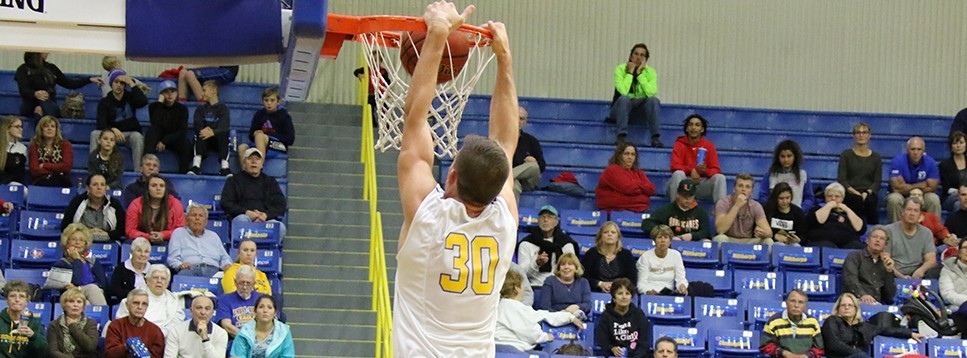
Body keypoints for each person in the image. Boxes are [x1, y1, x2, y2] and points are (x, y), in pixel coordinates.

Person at [391, 4, 519, 356]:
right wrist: (504, 60)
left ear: (451, 174)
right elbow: (505, 141)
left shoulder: (426, 215)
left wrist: (436, 36)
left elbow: (415, 119)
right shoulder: (505, 222)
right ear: (499, 187)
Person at [494, 270, 583, 354]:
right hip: (509, 349)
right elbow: (529, 331)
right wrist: (545, 337)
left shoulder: (502, 305)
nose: (524, 288)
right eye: (522, 285)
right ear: (516, 288)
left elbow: (543, 315)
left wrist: (570, 317)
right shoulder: (514, 306)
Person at [821, 293, 922, 358]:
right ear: (838, 308)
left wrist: (910, 333)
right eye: (843, 305)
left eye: (850, 305)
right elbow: (834, 344)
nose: (846, 307)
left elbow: (885, 330)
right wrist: (856, 353)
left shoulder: (864, 326)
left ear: (856, 309)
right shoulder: (832, 321)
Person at [221, 148, 288, 238]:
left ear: (262, 164)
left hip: (265, 220)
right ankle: (245, 247)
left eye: (257, 159)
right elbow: (226, 202)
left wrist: (265, 215)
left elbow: (281, 205)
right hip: (244, 217)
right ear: (244, 164)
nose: (254, 162)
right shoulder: (233, 181)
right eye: (250, 158)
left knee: (280, 228)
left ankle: (266, 247)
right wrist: (246, 212)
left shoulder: (270, 182)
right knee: (241, 220)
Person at [14, 52, 100, 118]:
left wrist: (89, 80)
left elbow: (69, 83)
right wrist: (35, 94)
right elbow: (23, 91)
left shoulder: (51, 68)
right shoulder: (23, 69)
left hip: (49, 103)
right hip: (30, 104)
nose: (48, 53)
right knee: (40, 106)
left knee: (42, 107)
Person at [92, 69, 147, 170]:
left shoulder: (130, 97)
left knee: (137, 137)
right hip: (111, 136)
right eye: (116, 82)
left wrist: (131, 83)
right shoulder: (104, 102)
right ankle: (94, 170)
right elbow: (101, 123)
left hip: (128, 134)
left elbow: (143, 102)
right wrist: (112, 130)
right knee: (95, 134)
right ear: (111, 84)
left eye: (122, 83)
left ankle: (138, 172)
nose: (118, 85)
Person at [610, 43, 662, 147]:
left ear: (645, 60)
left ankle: (655, 138)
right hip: (620, 110)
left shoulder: (650, 72)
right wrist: (630, 73)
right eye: (636, 54)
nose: (638, 57)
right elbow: (623, 91)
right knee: (624, 99)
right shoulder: (620, 69)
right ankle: (621, 137)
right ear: (630, 56)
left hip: (639, 111)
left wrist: (639, 74)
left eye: (642, 55)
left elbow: (651, 92)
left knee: (654, 100)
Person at [668, 114, 727, 204]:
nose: (694, 128)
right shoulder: (679, 144)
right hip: (683, 182)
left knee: (720, 178)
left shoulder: (709, 145)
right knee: (678, 173)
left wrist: (704, 171)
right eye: (691, 125)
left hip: (700, 184)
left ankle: (721, 210)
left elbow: (716, 169)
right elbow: (674, 166)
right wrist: (692, 170)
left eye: (697, 125)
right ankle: (676, 208)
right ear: (687, 129)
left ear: (702, 129)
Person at [516, 205, 578, 287]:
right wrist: (536, 263)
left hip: (559, 287)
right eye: (543, 217)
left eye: (549, 217)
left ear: (556, 222)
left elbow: (572, 270)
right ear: (538, 221)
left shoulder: (566, 244)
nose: (545, 220)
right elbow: (520, 274)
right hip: (533, 287)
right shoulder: (526, 244)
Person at [114, 264, 185, 335]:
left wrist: (160, 334)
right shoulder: (134, 296)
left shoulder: (174, 301)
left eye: (163, 278)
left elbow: (176, 324)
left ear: (167, 283)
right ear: (147, 280)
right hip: (136, 335)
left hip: (164, 337)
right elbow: (122, 322)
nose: (159, 281)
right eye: (155, 277)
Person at [886, 136, 941, 222]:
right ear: (907, 150)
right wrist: (922, 184)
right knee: (894, 199)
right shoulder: (897, 161)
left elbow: (932, 187)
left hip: (922, 195)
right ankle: (895, 229)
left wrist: (907, 186)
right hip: (902, 196)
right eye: (913, 149)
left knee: (933, 199)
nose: (916, 152)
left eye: (919, 149)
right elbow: (896, 188)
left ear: (923, 151)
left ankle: (933, 229)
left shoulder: (931, 162)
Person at [168, 203, 232, 277]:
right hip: (189, 270)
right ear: (186, 219)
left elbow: (225, 257)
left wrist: (226, 264)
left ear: (206, 221)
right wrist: (180, 264)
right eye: (194, 215)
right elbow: (173, 259)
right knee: (183, 275)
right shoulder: (178, 233)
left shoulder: (213, 236)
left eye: (201, 216)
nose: (197, 218)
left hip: (214, 271)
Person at [236, 87, 295, 167]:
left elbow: (290, 139)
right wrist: (255, 133)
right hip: (260, 142)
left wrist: (267, 136)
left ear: (278, 101)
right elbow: (251, 136)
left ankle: (260, 167)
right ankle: (245, 172)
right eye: (266, 100)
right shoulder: (259, 114)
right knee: (242, 147)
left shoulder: (284, 116)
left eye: (272, 100)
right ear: (262, 101)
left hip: (279, 145)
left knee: (260, 137)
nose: (269, 103)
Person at [52, 224, 109, 305]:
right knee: (87, 298)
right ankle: (102, 312)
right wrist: (77, 260)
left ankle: (102, 312)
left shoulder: (92, 261)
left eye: (81, 240)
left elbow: (104, 284)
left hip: (94, 294)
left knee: (92, 291)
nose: (77, 242)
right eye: (73, 239)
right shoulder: (61, 263)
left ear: (86, 244)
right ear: (67, 242)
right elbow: (76, 281)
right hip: (72, 296)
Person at [838, 122, 883, 224]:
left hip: (868, 192)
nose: (861, 135)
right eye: (858, 132)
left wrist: (867, 192)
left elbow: (877, 181)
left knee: (870, 201)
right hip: (851, 192)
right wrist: (856, 193)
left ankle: (873, 229)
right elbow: (842, 179)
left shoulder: (876, 157)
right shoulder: (846, 155)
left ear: (869, 135)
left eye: (864, 132)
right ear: (854, 136)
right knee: (855, 200)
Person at [885, 197, 940, 279]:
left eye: (916, 211)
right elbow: (884, 259)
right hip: (893, 274)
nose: (912, 213)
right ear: (902, 211)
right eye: (909, 209)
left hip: (918, 275)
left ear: (920, 215)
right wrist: (901, 277)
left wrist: (921, 270)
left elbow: (931, 260)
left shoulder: (926, 233)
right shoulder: (889, 230)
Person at [759, 289, 824, 358]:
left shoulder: (812, 322)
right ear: (786, 303)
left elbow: (819, 349)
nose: (796, 305)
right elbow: (765, 346)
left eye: (801, 302)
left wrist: (806, 356)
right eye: (793, 301)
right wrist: (784, 353)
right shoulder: (774, 321)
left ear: (805, 306)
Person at [642, 178, 713, 241]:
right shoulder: (667, 210)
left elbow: (706, 231)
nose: (687, 199)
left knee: (706, 241)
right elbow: (646, 224)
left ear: (694, 196)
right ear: (678, 195)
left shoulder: (701, 212)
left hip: (693, 243)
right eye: (684, 195)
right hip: (671, 243)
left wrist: (692, 236)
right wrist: (665, 234)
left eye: (690, 196)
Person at [61, 174, 126, 242]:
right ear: (88, 188)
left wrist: (108, 234)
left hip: (108, 241)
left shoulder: (114, 204)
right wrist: (86, 231)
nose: (99, 188)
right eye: (95, 184)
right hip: (81, 241)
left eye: (102, 185)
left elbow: (122, 229)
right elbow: (65, 227)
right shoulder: (77, 202)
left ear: (106, 188)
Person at [595, 141, 656, 213]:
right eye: (626, 154)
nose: (630, 157)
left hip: (640, 209)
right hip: (617, 211)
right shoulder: (612, 170)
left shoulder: (638, 172)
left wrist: (635, 184)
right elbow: (629, 188)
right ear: (619, 155)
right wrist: (643, 192)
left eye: (633, 154)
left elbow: (651, 189)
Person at [146, 79, 192, 173]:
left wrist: (165, 141)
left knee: (186, 145)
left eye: (173, 91)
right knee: (152, 132)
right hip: (158, 137)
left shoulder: (182, 109)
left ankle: (183, 173)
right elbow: (155, 124)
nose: (170, 94)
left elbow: (182, 131)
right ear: (161, 94)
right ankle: (148, 167)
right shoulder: (154, 107)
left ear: (176, 93)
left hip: (173, 139)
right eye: (166, 92)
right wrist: (159, 103)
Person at [842, 225, 897, 305]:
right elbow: (850, 279)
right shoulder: (855, 256)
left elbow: (889, 296)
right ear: (867, 240)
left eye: (882, 238)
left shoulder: (884, 263)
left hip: (876, 304)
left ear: (885, 245)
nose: (878, 240)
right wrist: (862, 294)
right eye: (874, 237)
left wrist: (889, 271)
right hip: (855, 301)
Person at [713, 173, 774, 245]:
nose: (743, 189)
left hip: (748, 241)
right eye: (740, 186)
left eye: (747, 187)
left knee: (768, 241)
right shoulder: (723, 203)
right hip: (728, 239)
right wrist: (736, 206)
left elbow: (769, 232)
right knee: (720, 239)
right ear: (734, 189)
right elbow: (720, 229)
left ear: (751, 192)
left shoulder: (756, 206)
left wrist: (763, 233)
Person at [594, 278, 648, 358]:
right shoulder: (606, 316)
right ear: (614, 297)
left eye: (627, 293)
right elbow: (602, 342)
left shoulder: (639, 314)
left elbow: (643, 343)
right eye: (620, 293)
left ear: (631, 297)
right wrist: (612, 348)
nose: (624, 297)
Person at [105, 288, 166, 358]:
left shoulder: (156, 331)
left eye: (144, 304)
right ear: (127, 305)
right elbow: (110, 354)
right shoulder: (115, 326)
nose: (140, 307)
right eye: (136, 303)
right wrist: (127, 346)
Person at [758, 140, 816, 212]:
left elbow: (809, 198)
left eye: (789, 156)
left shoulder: (803, 175)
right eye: (783, 156)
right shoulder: (770, 175)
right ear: (778, 158)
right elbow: (763, 197)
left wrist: (800, 210)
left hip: (796, 215)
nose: (786, 160)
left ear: (795, 157)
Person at [229, 295, 295, 358]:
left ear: (275, 312)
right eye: (261, 307)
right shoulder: (245, 332)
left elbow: (287, 356)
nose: (265, 310)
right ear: (255, 311)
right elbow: (237, 355)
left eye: (269, 307)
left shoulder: (284, 331)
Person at [803, 183, 866, 249]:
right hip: (823, 242)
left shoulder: (849, 212)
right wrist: (829, 206)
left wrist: (847, 209)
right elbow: (816, 220)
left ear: (842, 198)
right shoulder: (816, 209)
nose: (833, 198)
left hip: (848, 243)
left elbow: (860, 229)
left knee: (857, 247)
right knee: (827, 247)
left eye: (837, 196)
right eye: (829, 196)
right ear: (825, 197)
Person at [126, 174, 185, 244]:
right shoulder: (136, 204)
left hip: (168, 240)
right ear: (147, 189)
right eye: (154, 185)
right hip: (142, 240)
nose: (158, 188)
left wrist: (163, 235)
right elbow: (130, 231)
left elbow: (180, 230)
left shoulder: (175, 204)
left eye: (162, 186)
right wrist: (148, 236)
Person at [189, 80, 232, 176]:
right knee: (200, 134)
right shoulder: (200, 109)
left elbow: (224, 126)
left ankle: (225, 167)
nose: (202, 93)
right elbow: (197, 125)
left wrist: (213, 132)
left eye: (204, 90)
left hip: (218, 140)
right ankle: (196, 166)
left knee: (224, 134)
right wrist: (207, 131)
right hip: (204, 140)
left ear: (213, 91)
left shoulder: (223, 108)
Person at [581, 221, 638, 293]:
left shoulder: (626, 255)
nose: (609, 234)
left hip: (621, 293)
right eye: (606, 232)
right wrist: (599, 284)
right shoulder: (591, 253)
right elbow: (583, 276)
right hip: (595, 292)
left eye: (613, 232)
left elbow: (632, 280)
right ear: (600, 237)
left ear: (618, 237)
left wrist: (616, 286)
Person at [164, 296, 229, 358]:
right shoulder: (176, 330)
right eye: (199, 308)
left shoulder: (221, 333)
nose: (203, 312)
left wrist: (205, 339)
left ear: (212, 313)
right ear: (191, 311)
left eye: (207, 309)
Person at [47, 288, 99, 358]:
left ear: (83, 307)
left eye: (79, 302)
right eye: (71, 301)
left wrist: (73, 326)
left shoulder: (90, 323)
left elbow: (90, 347)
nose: (75, 305)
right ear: (64, 305)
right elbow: (53, 351)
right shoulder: (54, 325)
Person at [0, 280, 48, 357]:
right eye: (12, 296)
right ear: (6, 300)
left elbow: (43, 351)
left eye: (21, 296)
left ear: (27, 301)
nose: (17, 300)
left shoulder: (34, 323)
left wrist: (33, 336)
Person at [637, 225, 688, 295]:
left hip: (669, 294)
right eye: (659, 237)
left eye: (666, 237)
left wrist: (682, 285)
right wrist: (647, 291)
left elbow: (681, 278)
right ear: (654, 241)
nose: (663, 240)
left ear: (670, 241)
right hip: (650, 294)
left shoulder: (676, 255)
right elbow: (641, 283)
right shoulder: (646, 257)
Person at [909, 188, 959, 257]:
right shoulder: (903, 218)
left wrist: (948, 237)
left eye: (919, 195)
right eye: (913, 195)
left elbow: (941, 230)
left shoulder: (931, 217)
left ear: (923, 200)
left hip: (931, 250)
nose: (916, 197)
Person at [217, 265, 263, 339]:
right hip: (237, 340)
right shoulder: (225, 299)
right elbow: (227, 326)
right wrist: (247, 337)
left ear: (254, 284)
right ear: (235, 282)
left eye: (248, 283)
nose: (244, 287)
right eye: (241, 283)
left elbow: (272, 322)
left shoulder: (262, 299)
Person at [511, 106, 546, 201]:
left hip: (528, 181)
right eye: (515, 117)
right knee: (514, 187)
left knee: (534, 166)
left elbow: (542, 166)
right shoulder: (502, 139)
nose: (518, 121)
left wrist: (534, 161)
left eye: (521, 119)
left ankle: (507, 177)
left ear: (525, 122)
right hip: (514, 180)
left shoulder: (532, 141)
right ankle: (509, 177)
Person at [28, 115, 72, 187]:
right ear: (41, 129)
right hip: (40, 181)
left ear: (56, 130)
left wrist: (45, 165)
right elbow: (34, 170)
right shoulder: (34, 146)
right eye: (46, 126)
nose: (49, 129)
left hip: (61, 181)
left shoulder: (66, 145)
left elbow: (66, 167)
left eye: (53, 126)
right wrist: (57, 171)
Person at [106, 237, 152, 305]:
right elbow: (115, 289)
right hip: (126, 303)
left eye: (146, 251)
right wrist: (135, 296)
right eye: (139, 251)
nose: (142, 254)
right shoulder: (121, 268)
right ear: (132, 252)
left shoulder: (153, 269)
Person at [353, 51, 391, 125]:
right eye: (373, 60)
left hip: (380, 94)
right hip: (371, 94)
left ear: (380, 61)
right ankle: (373, 124)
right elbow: (356, 71)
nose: (374, 62)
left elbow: (387, 82)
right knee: (369, 109)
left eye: (377, 60)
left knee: (383, 109)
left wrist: (387, 91)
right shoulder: (366, 69)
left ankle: (385, 124)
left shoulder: (383, 71)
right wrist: (359, 75)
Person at [939, 131, 967, 211]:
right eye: (955, 143)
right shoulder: (945, 165)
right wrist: (961, 193)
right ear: (951, 146)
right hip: (951, 197)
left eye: (961, 143)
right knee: (959, 204)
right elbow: (946, 189)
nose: (958, 146)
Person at [0, 116, 27, 185]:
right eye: (17, 127)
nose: (21, 129)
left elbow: (20, 174)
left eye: (21, 127)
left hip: (14, 185)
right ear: (7, 128)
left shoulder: (22, 148)